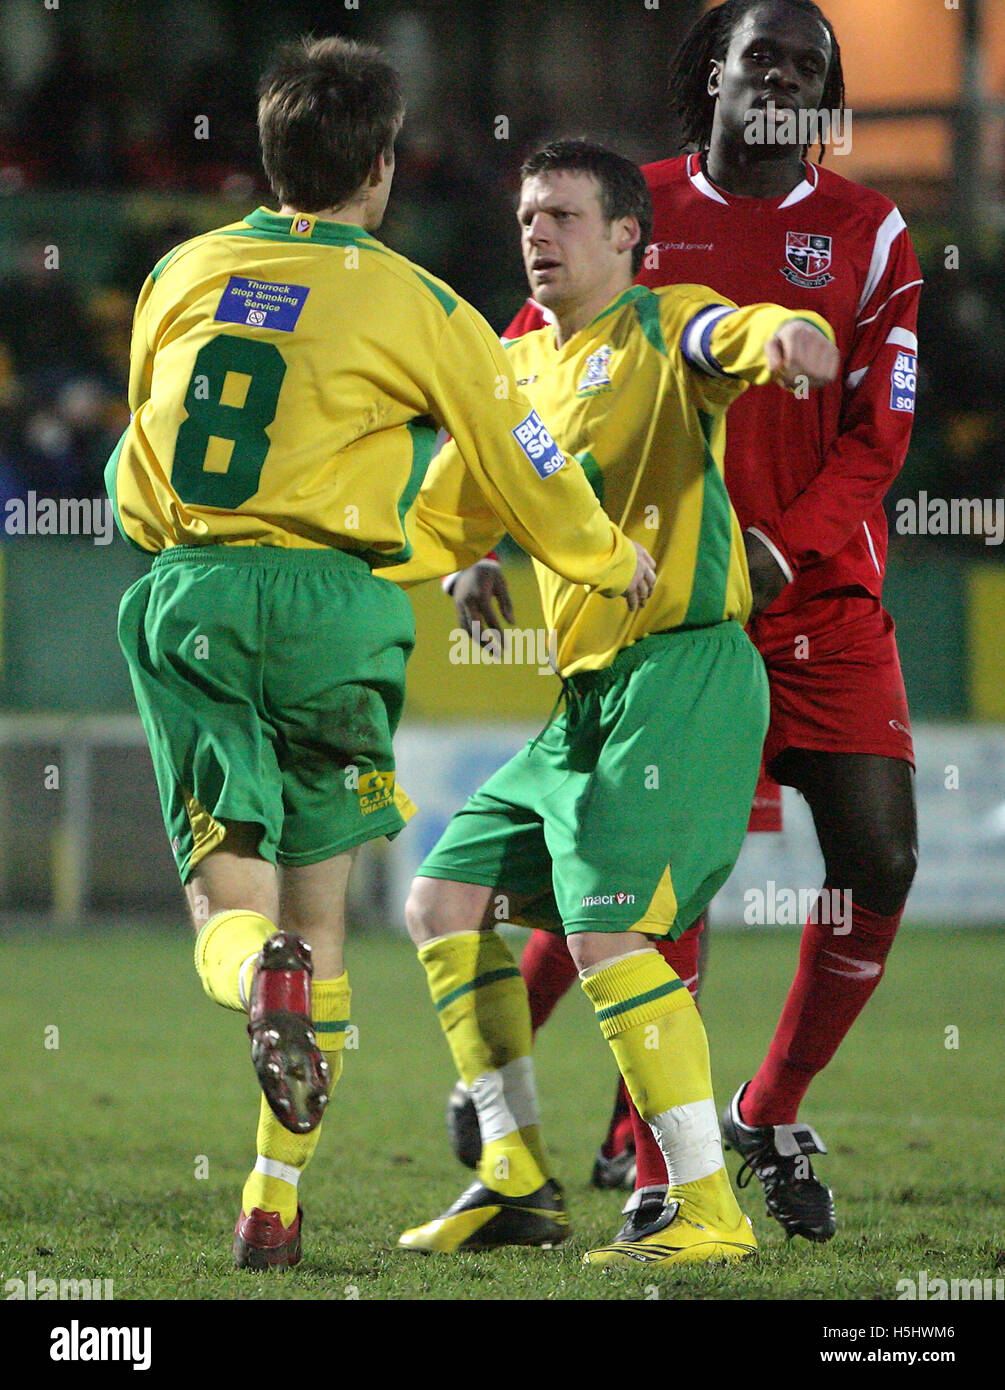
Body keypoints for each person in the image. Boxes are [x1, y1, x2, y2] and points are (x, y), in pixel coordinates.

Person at [106, 36, 653, 1272]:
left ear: (269, 157)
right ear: (382, 169)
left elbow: (143, 437)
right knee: (323, 920)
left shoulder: (185, 269)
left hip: (199, 594)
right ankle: (273, 1196)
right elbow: (524, 449)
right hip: (343, 611)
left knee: (229, 908)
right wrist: (598, 552)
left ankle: (258, 976)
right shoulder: (425, 306)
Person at [450, 0, 921, 1249]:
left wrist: (784, 546)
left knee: (880, 860)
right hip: (660, 605)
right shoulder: (625, 209)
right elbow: (522, 385)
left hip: (818, 596)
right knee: (659, 889)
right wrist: (486, 538)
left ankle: (768, 1109)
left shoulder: (869, 232)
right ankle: (661, 1172)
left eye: (810, 66)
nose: (784, 77)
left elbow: (881, 434)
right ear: (714, 69)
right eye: (763, 55)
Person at [385, 137, 838, 1266]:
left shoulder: (661, 323)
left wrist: (788, 336)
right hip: (584, 698)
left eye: (563, 216)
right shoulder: (507, 366)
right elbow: (451, 506)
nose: (537, 234)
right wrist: (463, 563)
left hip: (682, 674)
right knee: (443, 901)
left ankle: (706, 1206)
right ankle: (516, 1181)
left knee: (606, 928)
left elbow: (739, 331)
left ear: (628, 235)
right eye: (527, 217)